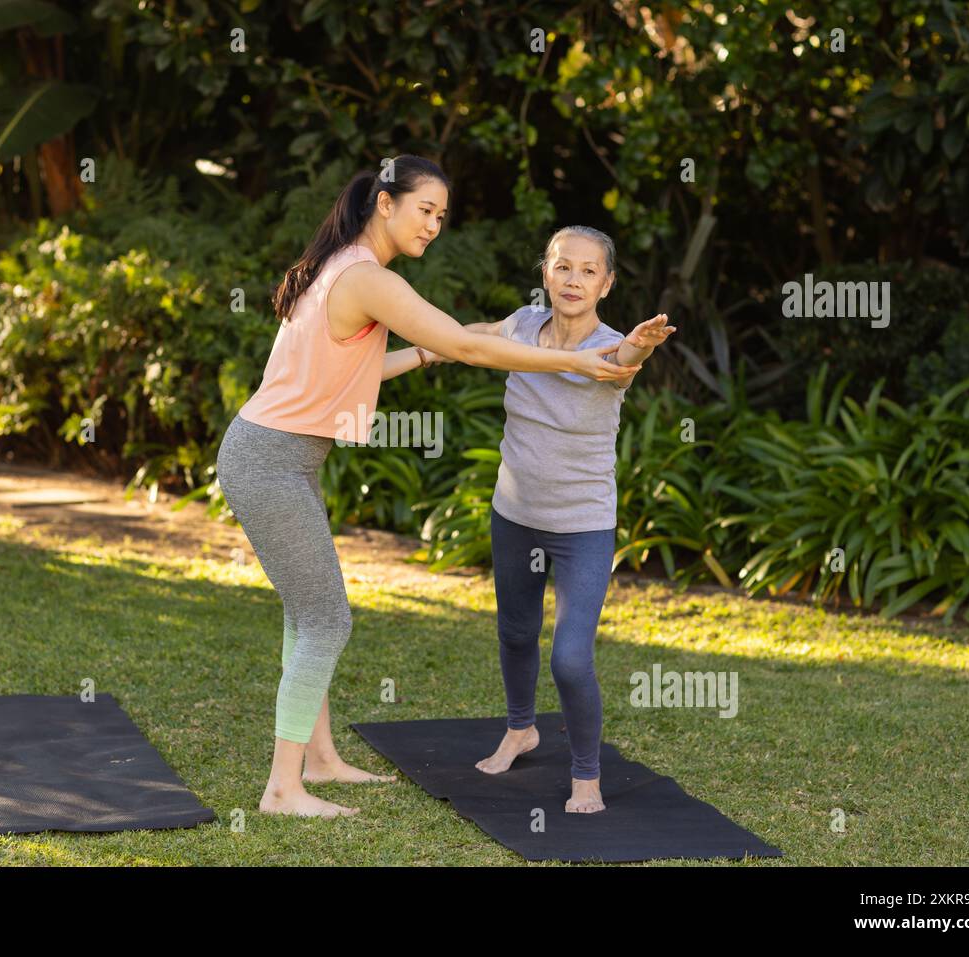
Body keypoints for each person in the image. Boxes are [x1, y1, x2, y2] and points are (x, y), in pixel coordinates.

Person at [215, 156, 640, 818]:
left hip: (278, 457)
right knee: (327, 617)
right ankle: (281, 788)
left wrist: (420, 354)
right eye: (425, 209)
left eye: (443, 215)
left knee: (307, 613)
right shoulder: (368, 277)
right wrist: (570, 359)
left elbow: (348, 367)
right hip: (269, 460)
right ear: (385, 203)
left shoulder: (341, 267)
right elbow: (472, 347)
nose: (435, 224)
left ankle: (319, 759)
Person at [434, 226, 675, 813]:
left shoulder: (609, 347)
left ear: (607, 283)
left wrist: (641, 346)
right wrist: (421, 338)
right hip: (514, 514)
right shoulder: (522, 325)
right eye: (563, 267)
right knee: (515, 632)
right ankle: (522, 729)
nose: (574, 280)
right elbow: (474, 337)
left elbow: (624, 362)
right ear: (545, 271)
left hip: (582, 525)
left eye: (589, 271)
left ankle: (586, 774)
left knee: (570, 655)